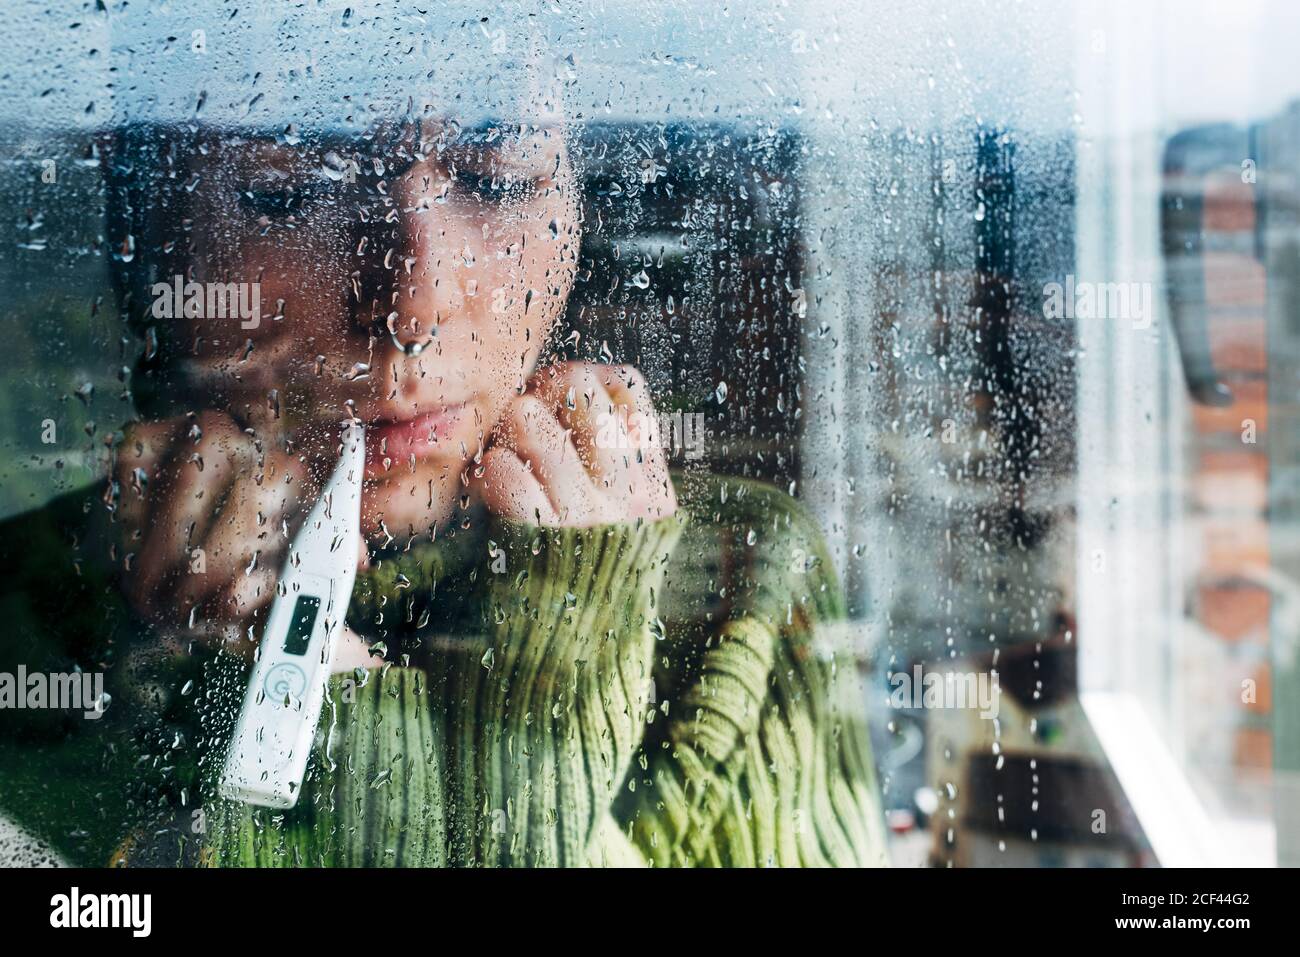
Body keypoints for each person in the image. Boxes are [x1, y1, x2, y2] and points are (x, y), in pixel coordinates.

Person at [0, 4, 886, 867]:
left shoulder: (741, 584)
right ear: (149, 224)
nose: (410, 304)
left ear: (574, 196)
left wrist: (560, 675)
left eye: (499, 180)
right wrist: (195, 683)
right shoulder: (28, 621)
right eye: (285, 194)